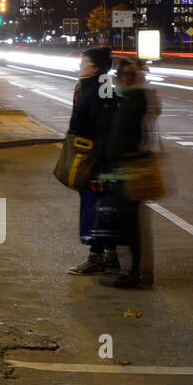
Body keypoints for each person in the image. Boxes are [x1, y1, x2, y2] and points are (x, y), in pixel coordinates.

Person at [100, 57, 157, 288]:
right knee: (127, 221)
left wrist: (109, 167)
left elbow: (122, 137)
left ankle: (135, 274)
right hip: (124, 166)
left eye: (130, 75)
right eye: (123, 75)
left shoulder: (134, 100)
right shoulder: (126, 99)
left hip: (129, 167)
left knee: (129, 222)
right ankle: (134, 271)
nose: (126, 79)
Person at [68, 47, 118, 275]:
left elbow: (100, 122)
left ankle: (96, 257)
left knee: (94, 206)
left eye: (84, 63)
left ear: (95, 67)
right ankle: (110, 253)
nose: (80, 67)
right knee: (104, 206)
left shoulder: (94, 86)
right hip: (101, 155)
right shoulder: (99, 84)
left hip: (96, 156)